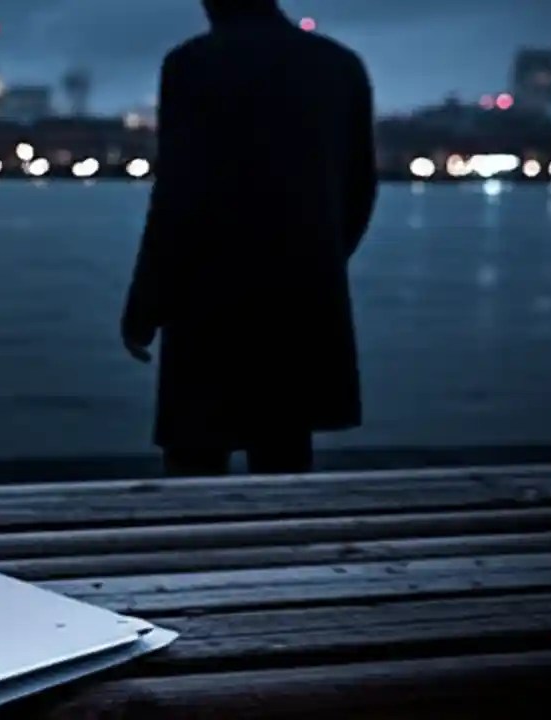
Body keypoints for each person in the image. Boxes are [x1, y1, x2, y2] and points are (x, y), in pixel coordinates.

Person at [120, 0, 379, 477]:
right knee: (284, 452)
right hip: (302, 293)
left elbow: (177, 196)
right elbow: (360, 189)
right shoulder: (338, 65)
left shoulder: (192, 64)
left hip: (207, 296)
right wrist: (319, 256)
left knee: (194, 461)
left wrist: (145, 306)